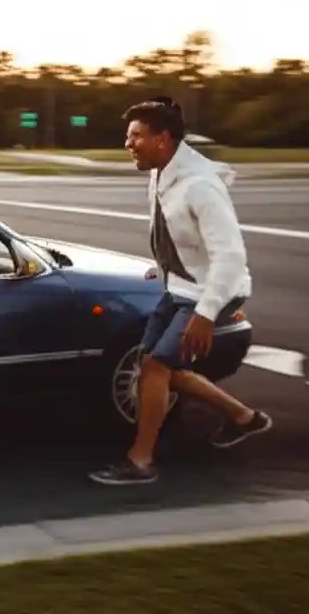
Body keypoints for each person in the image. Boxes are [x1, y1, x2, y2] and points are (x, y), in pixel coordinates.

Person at [89, 96, 271, 486]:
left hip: (213, 292)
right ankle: (242, 417)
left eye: (135, 136)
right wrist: (165, 270)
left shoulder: (199, 187)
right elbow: (172, 234)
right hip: (182, 287)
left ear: (163, 138)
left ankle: (140, 461)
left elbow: (231, 256)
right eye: (128, 136)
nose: (128, 144)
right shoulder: (162, 171)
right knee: (160, 366)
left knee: (155, 367)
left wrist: (205, 315)